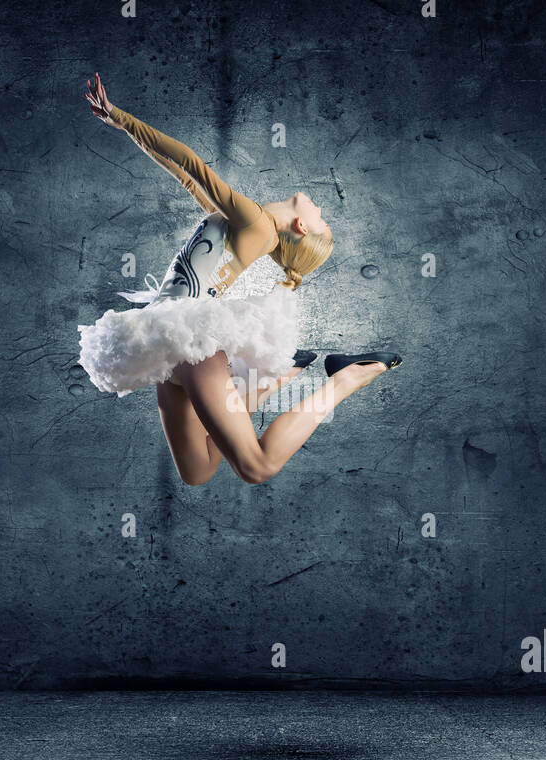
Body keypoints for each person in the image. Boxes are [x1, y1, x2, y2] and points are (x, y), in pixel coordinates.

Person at [79, 72, 401, 485]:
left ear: (301, 226)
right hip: (166, 338)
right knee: (197, 471)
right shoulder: (242, 223)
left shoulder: (256, 222)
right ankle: (282, 375)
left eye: (324, 220)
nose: (322, 208)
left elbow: (192, 161)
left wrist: (122, 116)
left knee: (257, 467)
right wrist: (121, 127)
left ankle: (349, 376)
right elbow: (182, 173)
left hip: (191, 342)